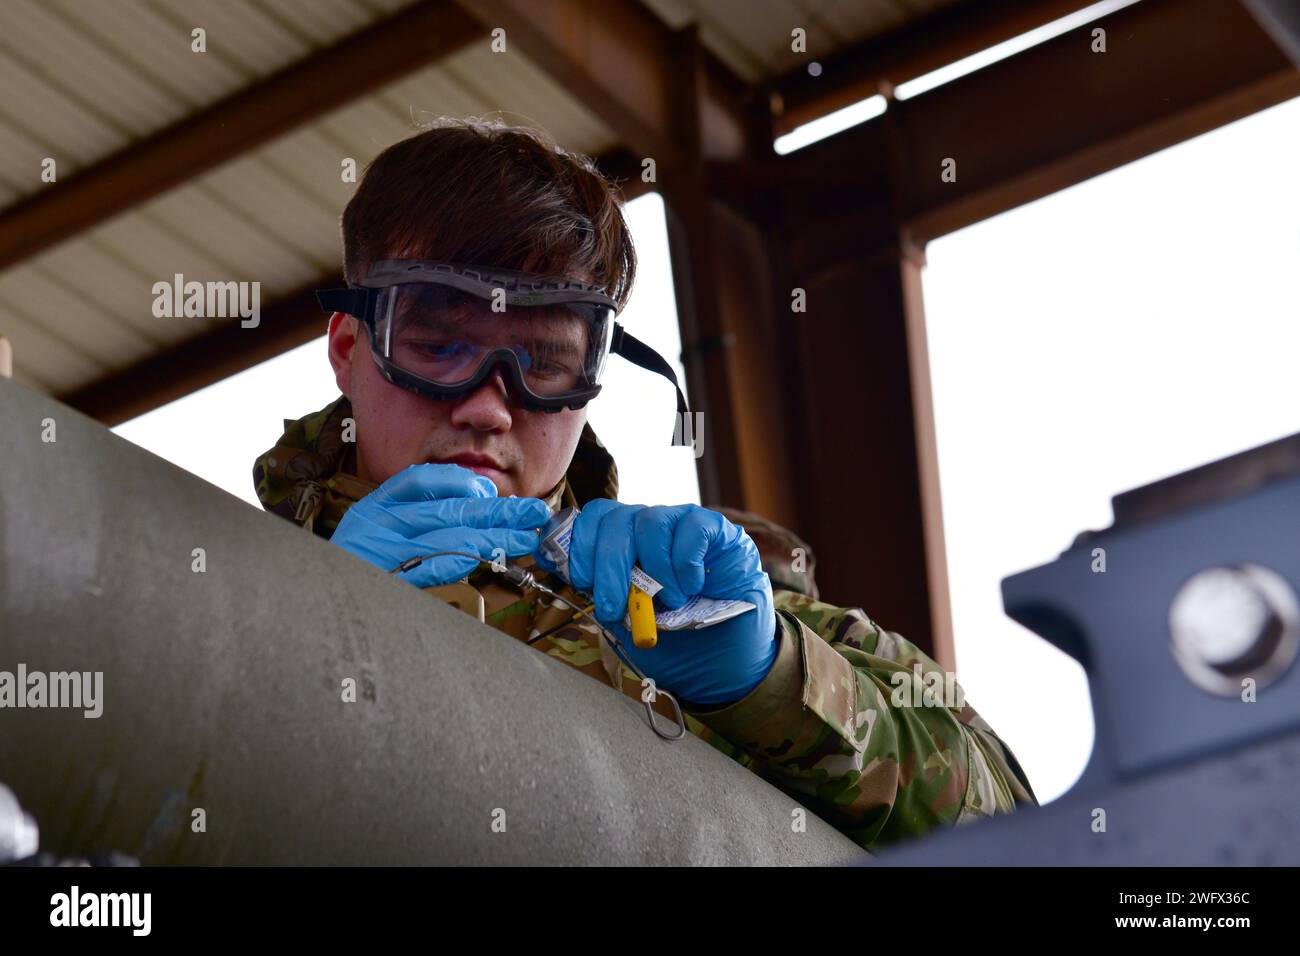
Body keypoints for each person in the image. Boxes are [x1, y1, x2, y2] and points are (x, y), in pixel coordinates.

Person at [252, 118, 1036, 852]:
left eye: (544, 361)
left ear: (591, 379)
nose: (487, 404)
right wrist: (307, 642)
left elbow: (1030, 843)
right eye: (434, 343)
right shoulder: (225, 588)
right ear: (351, 348)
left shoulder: (713, 601)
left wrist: (772, 684)